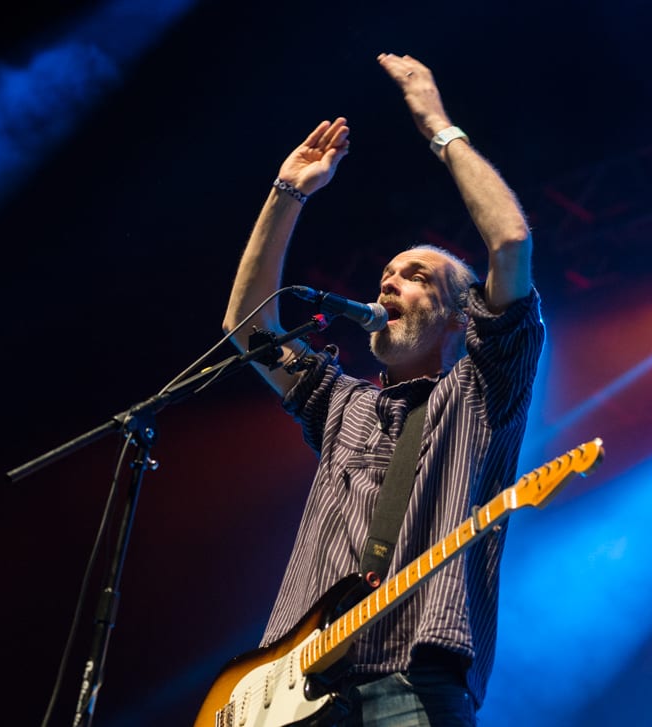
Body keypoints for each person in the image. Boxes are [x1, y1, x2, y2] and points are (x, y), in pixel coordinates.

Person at [221, 53, 544, 725]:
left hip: (415, 682)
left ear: (461, 316)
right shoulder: (342, 401)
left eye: (418, 275)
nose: (389, 281)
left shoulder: (483, 393)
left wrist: (436, 124)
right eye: (388, 273)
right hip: (290, 684)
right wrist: (288, 194)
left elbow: (510, 242)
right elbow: (246, 326)